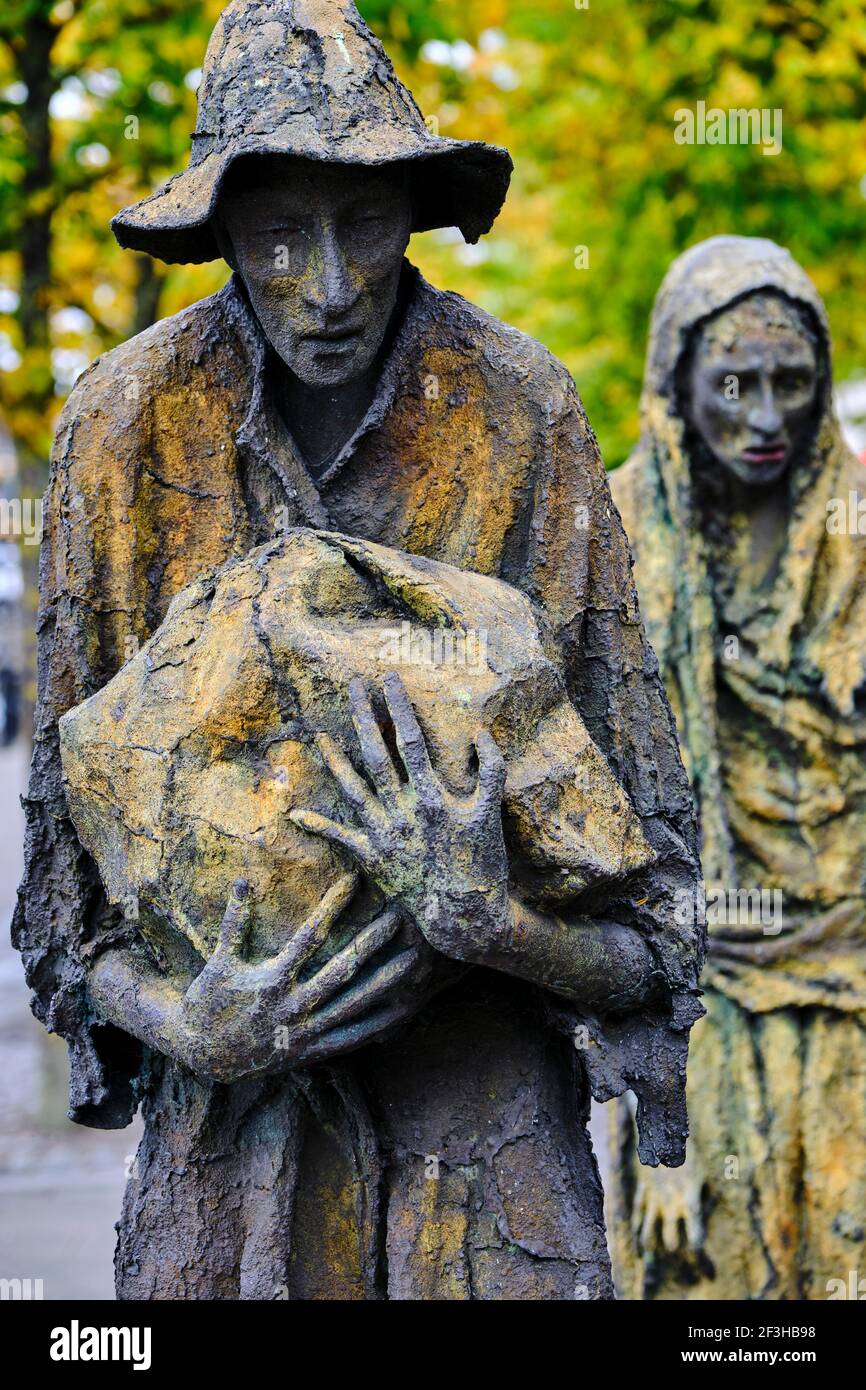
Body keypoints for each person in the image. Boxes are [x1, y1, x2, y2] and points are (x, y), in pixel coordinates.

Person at [14, 0, 702, 1299]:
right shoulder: (121, 433)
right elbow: (67, 901)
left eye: (366, 226)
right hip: (228, 1177)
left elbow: (657, 914)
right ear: (221, 228)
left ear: (413, 214)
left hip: (489, 1167)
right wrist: (184, 1020)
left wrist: (493, 922)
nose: (327, 285)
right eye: (278, 233)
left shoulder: (521, 413)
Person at [609, 235, 866, 1300]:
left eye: (789, 384)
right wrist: (662, 1124)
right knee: (696, 1280)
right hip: (694, 998)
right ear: (675, 382)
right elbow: (603, 839)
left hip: (851, 980)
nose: (764, 418)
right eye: (732, 384)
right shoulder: (614, 533)